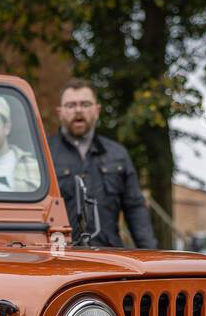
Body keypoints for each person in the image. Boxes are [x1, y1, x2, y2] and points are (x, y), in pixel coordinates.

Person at [50, 79, 158, 249]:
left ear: (97, 110)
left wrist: (152, 259)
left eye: (85, 104)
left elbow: (135, 209)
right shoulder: (45, 155)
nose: (78, 110)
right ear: (60, 112)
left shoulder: (117, 155)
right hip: (61, 260)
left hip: (109, 259)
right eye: (71, 105)